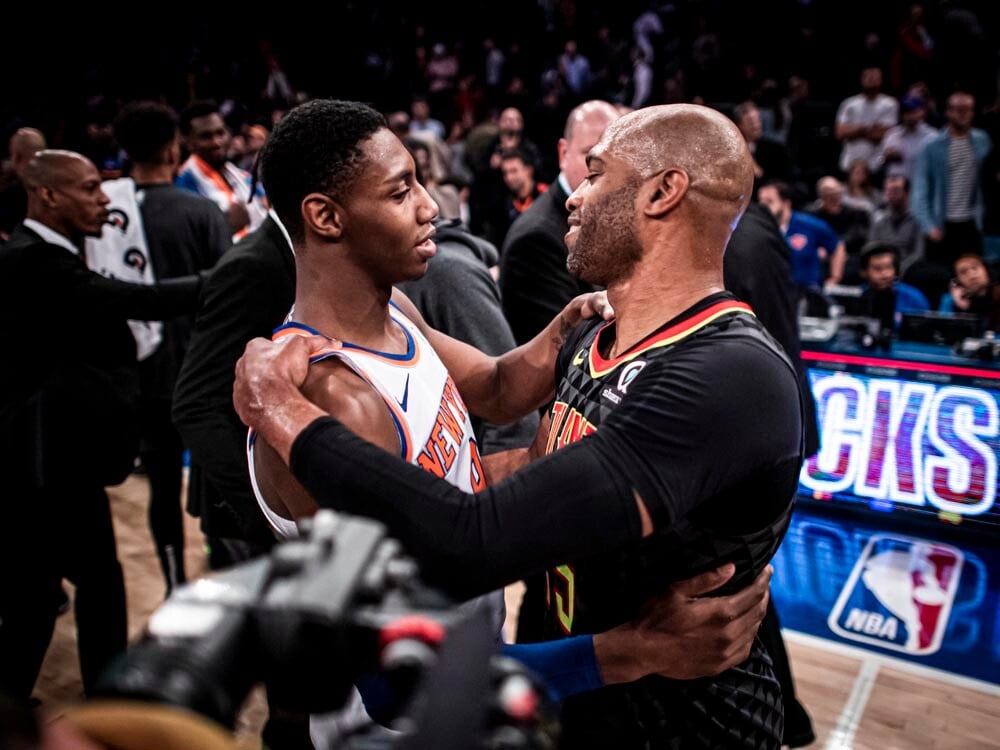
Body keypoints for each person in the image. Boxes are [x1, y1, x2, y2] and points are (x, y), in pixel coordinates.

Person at [235, 102, 802, 748]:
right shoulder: (331, 400)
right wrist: (628, 651)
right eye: (402, 190)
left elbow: (496, 392)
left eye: (596, 174)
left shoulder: (398, 315)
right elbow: (401, 676)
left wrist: (560, 340)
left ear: (663, 193)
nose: (431, 207)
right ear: (325, 217)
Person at [0, 151, 203, 701]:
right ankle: (104, 707)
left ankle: (27, 702)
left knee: (44, 593)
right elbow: (131, 300)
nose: (101, 200)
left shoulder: (44, 254)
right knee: (83, 587)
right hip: (47, 464)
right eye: (89, 188)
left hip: (54, 462)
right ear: (47, 195)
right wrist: (218, 281)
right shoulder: (33, 260)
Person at [108, 101, 232, 595]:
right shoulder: (202, 212)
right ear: (171, 147)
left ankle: (175, 581)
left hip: (140, 375)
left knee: (161, 487)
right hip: (203, 373)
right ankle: (225, 574)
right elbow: (231, 298)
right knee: (219, 481)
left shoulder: (107, 212)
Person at [500, 100, 619, 344]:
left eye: (616, 158)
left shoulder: (612, 216)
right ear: (563, 154)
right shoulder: (535, 240)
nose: (605, 170)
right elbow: (565, 352)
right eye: (591, 155)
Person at [175, 100, 268, 240]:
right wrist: (228, 225)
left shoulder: (240, 176)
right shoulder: (183, 185)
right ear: (188, 142)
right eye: (206, 136)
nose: (217, 142)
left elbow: (265, 201)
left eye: (220, 133)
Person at [758, 179, 845, 292]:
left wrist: (835, 278)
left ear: (786, 203)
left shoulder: (809, 224)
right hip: (773, 292)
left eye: (769, 202)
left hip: (807, 293)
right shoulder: (759, 227)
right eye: (761, 202)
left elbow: (837, 246)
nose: (763, 207)